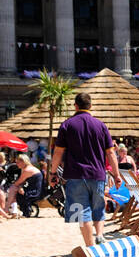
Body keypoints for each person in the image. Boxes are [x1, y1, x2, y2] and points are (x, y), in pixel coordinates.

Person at [50, 91, 121, 247]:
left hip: (75, 175)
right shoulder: (101, 126)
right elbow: (110, 153)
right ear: (90, 106)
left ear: (75, 106)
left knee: (82, 214)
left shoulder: (67, 125)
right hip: (97, 174)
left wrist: (53, 172)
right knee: (99, 208)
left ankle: (90, 246)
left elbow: (58, 152)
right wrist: (116, 175)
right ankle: (100, 235)